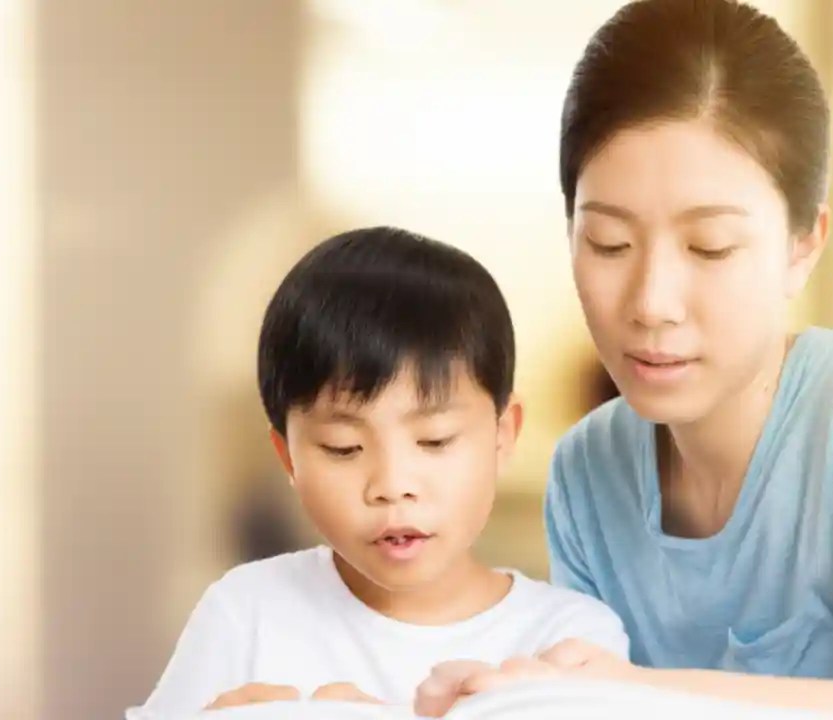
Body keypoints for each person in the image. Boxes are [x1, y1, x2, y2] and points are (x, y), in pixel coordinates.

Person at [414, 1, 833, 718]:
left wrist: (630, 691)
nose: (652, 302)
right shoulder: (588, 474)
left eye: (710, 247)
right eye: (609, 245)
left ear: (803, 244)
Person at [127, 227, 628, 717]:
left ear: (502, 437)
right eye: (343, 448)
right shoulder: (246, 614)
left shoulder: (568, 640)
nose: (392, 486)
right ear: (288, 458)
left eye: (434, 441)